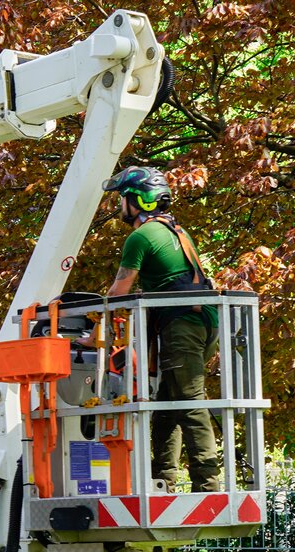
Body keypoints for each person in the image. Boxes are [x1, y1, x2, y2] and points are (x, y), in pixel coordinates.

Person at [100, 165, 220, 493]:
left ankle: (207, 484)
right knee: (167, 404)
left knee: (188, 401)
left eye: (123, 198)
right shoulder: (173, 230)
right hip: (203, 322)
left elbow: (117, 293)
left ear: (138, 200)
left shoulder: (140, 236)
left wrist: (93, 324)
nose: (120, 205)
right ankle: (163, 479)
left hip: (183, 323)